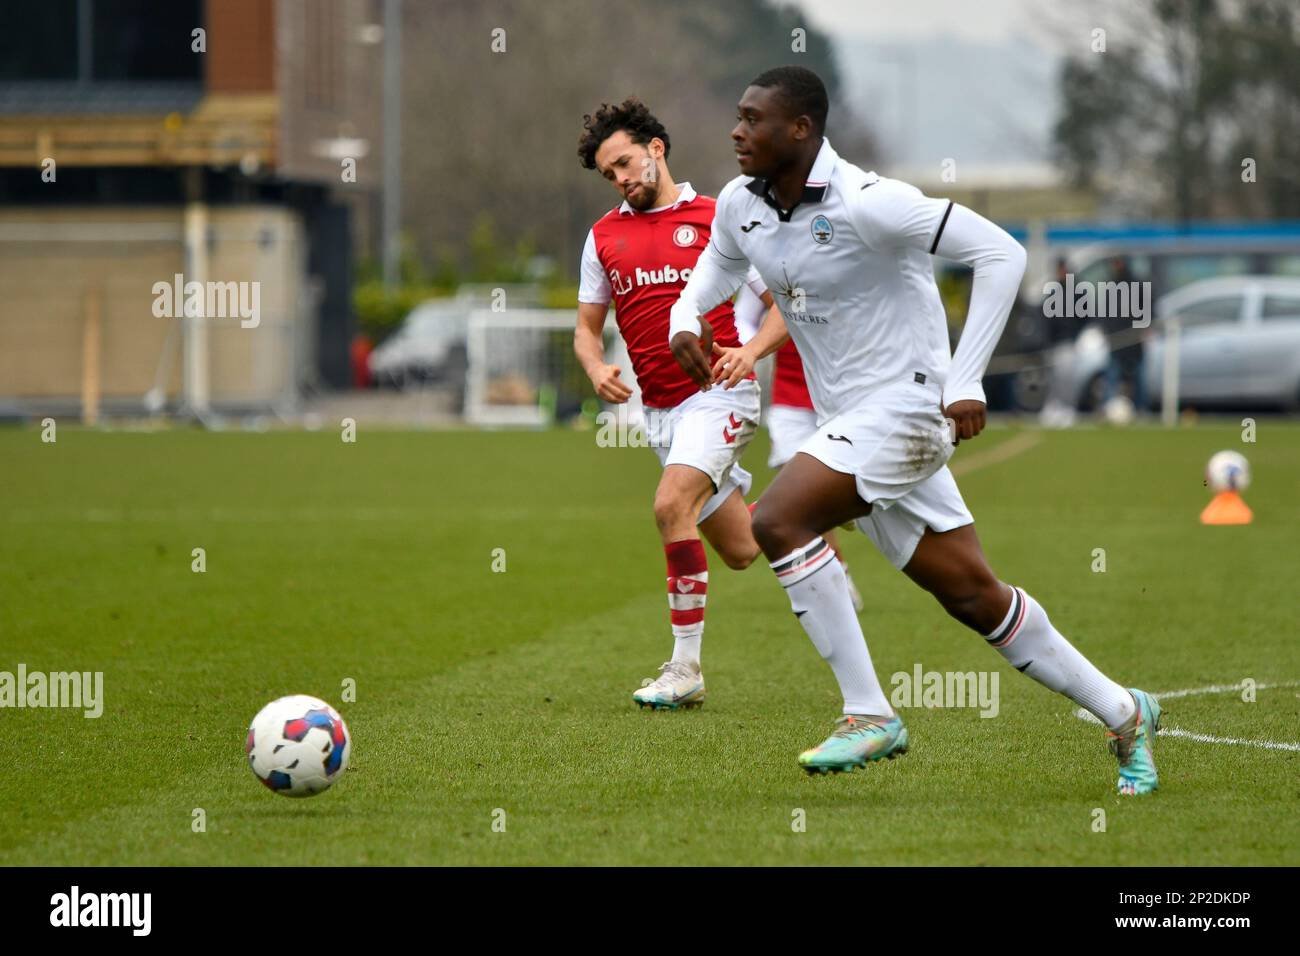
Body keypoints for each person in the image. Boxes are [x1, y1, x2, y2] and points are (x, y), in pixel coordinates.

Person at [670, 66, 1161, 794]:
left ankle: (869, 714)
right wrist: (686, 318)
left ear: (800, 130)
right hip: (852, 425)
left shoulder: (872, 203)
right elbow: (716, 267)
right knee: (972, 594)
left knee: (776, 519)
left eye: (754, 119)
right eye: (738, 117)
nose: (737, 131)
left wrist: (963, 380)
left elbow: (1003, 255)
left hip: (908, 411)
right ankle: (1124, 712)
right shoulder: (742, 204)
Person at [574, 97, 776, 710]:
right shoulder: (603, 236)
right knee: (742, 549)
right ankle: (823, 501)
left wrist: (751, 354)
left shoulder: (722, 217)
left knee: (668, 507)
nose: (622, 179)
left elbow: (786, 302)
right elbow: (586, 326)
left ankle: (684, 670)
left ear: (656, 149)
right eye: (610, 174)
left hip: (721, 393)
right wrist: (594, 365)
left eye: (626, 162)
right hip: (660, 412)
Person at [734, 284, 864, 612]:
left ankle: (843, 505)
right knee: (797, 486)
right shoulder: (767, 262)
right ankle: (839, 572)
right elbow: (743, 318)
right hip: (789, 394)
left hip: (844, 393)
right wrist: (747, 349)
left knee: (837, 487)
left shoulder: (844, 256)